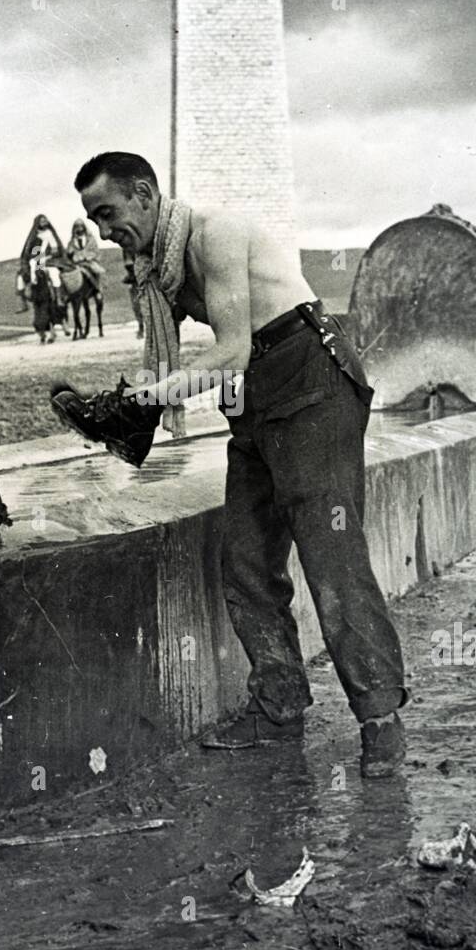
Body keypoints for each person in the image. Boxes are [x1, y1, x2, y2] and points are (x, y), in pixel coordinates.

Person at [52, 151, 409, 779]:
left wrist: (153, 396)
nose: (106, 232)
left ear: (143, 194)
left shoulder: (213, 237)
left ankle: (380, 720)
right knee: (244, 560)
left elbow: (233, 347)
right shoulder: (157, 266)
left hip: (312, 380)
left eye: (108, 214)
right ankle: (278, 708)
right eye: (94, 219)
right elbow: (232, 362)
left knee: (332, 557)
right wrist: (144, 397)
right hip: (255, 396)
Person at [16, 214, 63, 312]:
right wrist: (33, 258)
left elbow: (57, 250)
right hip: (35, 261)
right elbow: (30, 251)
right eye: (41, 221)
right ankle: (23, 302)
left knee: (54, 274)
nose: (44, 223)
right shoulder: (33, 236)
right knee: (20, 277)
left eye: (45, 221)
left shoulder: (51, 234)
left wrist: (50, 255)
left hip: (49, 261)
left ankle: (59, 298)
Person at [65, 217, 105, 290]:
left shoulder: (90, 239)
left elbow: (95, 251)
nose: (79, 229)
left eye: (80, 226)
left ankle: (97, 288)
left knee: (94, 271)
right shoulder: (71, 242)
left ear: (84, 227)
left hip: (89, 261)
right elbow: (68, 253)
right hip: (76, 263)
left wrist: (88, 256)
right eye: (77, 227)